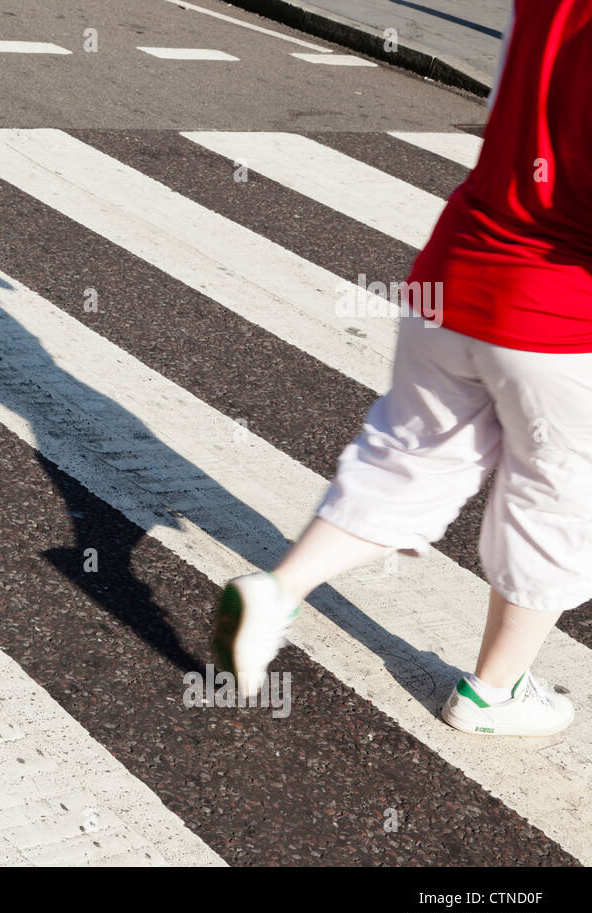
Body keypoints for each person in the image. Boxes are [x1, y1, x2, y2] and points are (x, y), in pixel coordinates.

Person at [212, 0, 592, 738]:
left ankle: (277, 590)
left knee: (409, 456)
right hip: (562, 308)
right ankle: (494, 692)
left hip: (457, 265)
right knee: (556, 500)